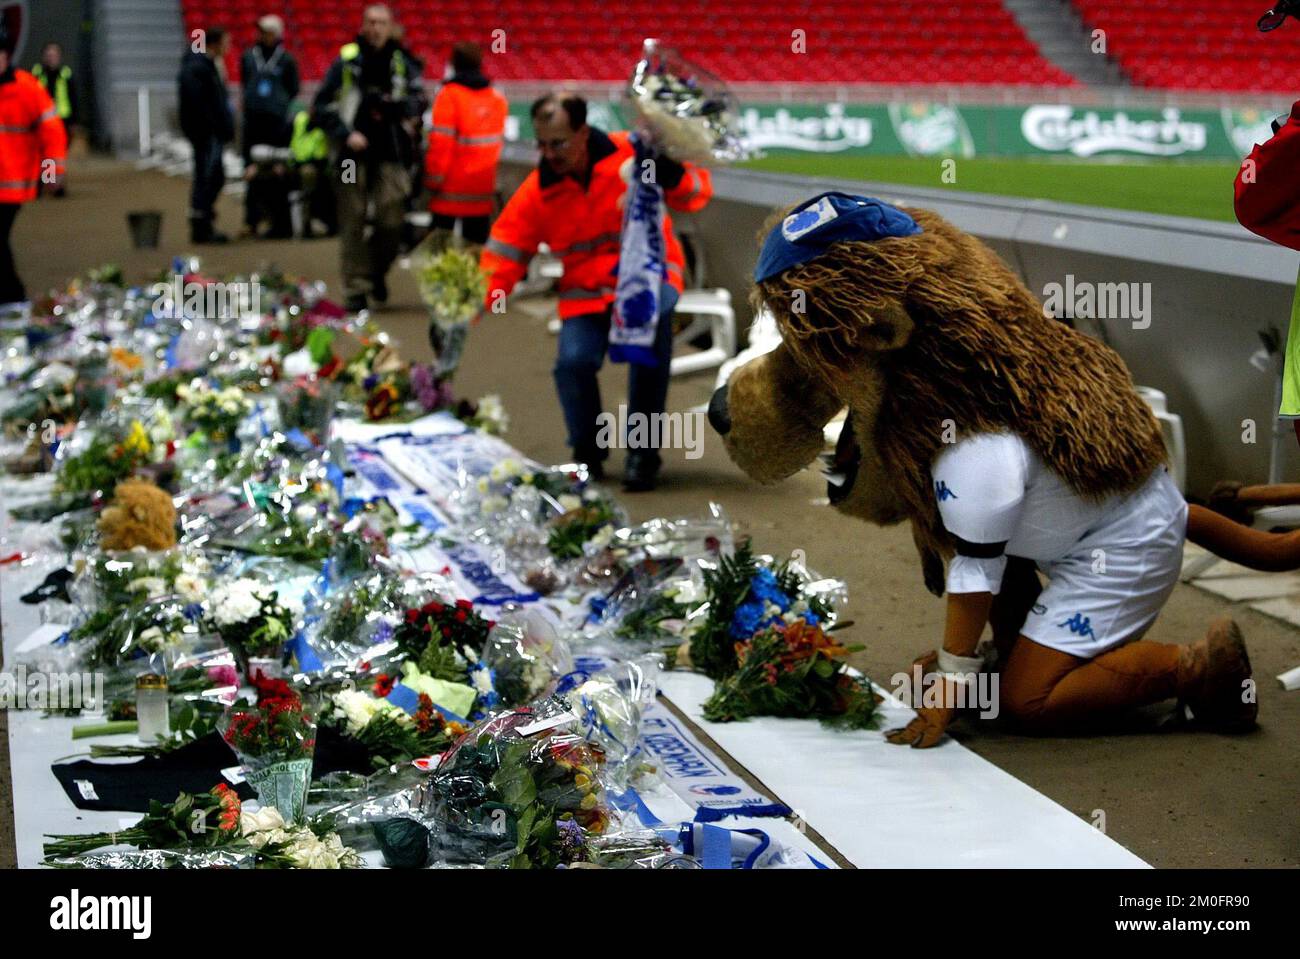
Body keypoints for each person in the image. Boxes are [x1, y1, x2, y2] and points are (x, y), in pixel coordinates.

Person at [480, 94, 713, 491]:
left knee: (650, 346)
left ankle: (643, 453)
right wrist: (463, 310)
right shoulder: (538, 191)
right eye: (542, 144)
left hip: (649, 280)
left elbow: (695, 193)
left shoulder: (635, 153)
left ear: (583, 133)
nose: (549, 153)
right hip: (587, 295)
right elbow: (503, 255)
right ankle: (587, 451)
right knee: (573, 363)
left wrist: (671, 174)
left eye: (558, 143)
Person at [312, 4, 426, 313]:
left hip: (390, 153)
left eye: (382, 23)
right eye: (371, 22)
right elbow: (321, 105)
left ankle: (374, 272)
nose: (376, 28)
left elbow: (419, 100)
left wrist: (406, 113)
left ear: (391, 27)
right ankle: (356, 289)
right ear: (363, 26)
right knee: (353, 217)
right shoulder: (347, 61)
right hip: (351, 157)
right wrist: (345, 132)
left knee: (392, 220)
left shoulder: (403, 62)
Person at [0, 23, 67, 305]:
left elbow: (53, 134)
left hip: (12, 187)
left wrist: (52, 173)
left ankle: (13, 298)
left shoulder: (27, 88)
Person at [423, 42, 507, 244]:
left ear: (453, 63)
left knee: (439, 255)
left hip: (448, 192)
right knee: (475, 257)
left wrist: (432, 181)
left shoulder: (449, 96)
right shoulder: (496, 98)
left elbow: (441, 145)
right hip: (481, 192)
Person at [239, 15, 300, 239]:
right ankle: (251, 221)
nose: (262, 35)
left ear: (277, 33)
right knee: (251, 170)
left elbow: (293, 88)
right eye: (261, 31)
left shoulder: (287, 60)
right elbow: (245, 82)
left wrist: (278, 104)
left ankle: (278, 222)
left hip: (277, 123)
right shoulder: (248, 57)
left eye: (267, 31)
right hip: (253, 122)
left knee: (276, 171)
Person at [178, 26, 235, 244]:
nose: (228, 47)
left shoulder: (204, 66)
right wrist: (214, 126)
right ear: (215, 43)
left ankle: (203, 220)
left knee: (212, 176)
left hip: (209, 133)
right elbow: (202, 105)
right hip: (206, 133)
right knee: (208, 176)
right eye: (225, 42)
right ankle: (201, 224)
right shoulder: (199, 68)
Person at [31, 42, 74, 197]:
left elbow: (73, 98)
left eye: (54, 55)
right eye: (49, 55)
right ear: (43, 57)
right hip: (42, 122)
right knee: (45, 155)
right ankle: (48, 184)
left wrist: (73, 122)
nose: (51, 58)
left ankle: (54, 184)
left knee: (57, 156)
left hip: (62, 121)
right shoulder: (36, 73)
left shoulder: (66, 74)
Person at [288, 103, 336, 238]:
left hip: (344, 163)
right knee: (311, 179)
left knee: (348, 183)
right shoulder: (300, 121)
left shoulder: (334, 120)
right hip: (311, 165)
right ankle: (311, 222)